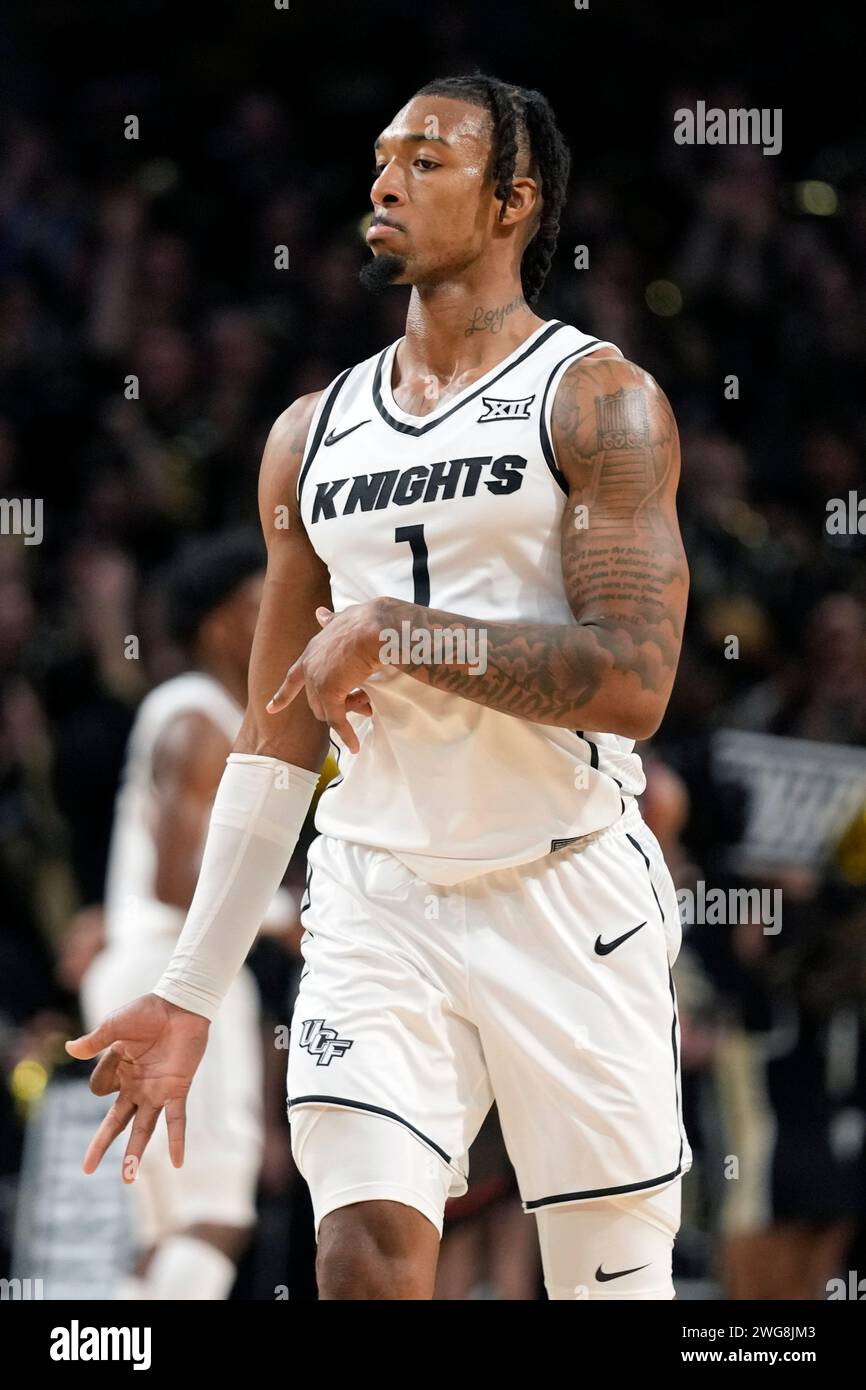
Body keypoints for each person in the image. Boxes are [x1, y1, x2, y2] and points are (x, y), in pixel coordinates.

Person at [67, 73, 691, 1301]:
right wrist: (190, 990)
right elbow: (274, 731)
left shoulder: (597, 401)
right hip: (377, 897)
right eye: (379, 155)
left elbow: (634, 682)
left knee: (606, 1287)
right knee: (356, 1257)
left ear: (513, 201)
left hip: (567, 892)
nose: (384, 177)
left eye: (426, 157)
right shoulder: (310, 432)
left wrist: (407, 635)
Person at [79, 530, 294, 1300]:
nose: (285, 609)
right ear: (219, 626)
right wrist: (287, 915)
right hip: (174, 975)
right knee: (215, 1215)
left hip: (148, 972)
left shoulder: (202, 712)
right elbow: (177, 881)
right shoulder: (201, 717)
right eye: (260, 601)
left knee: (167, 1230)